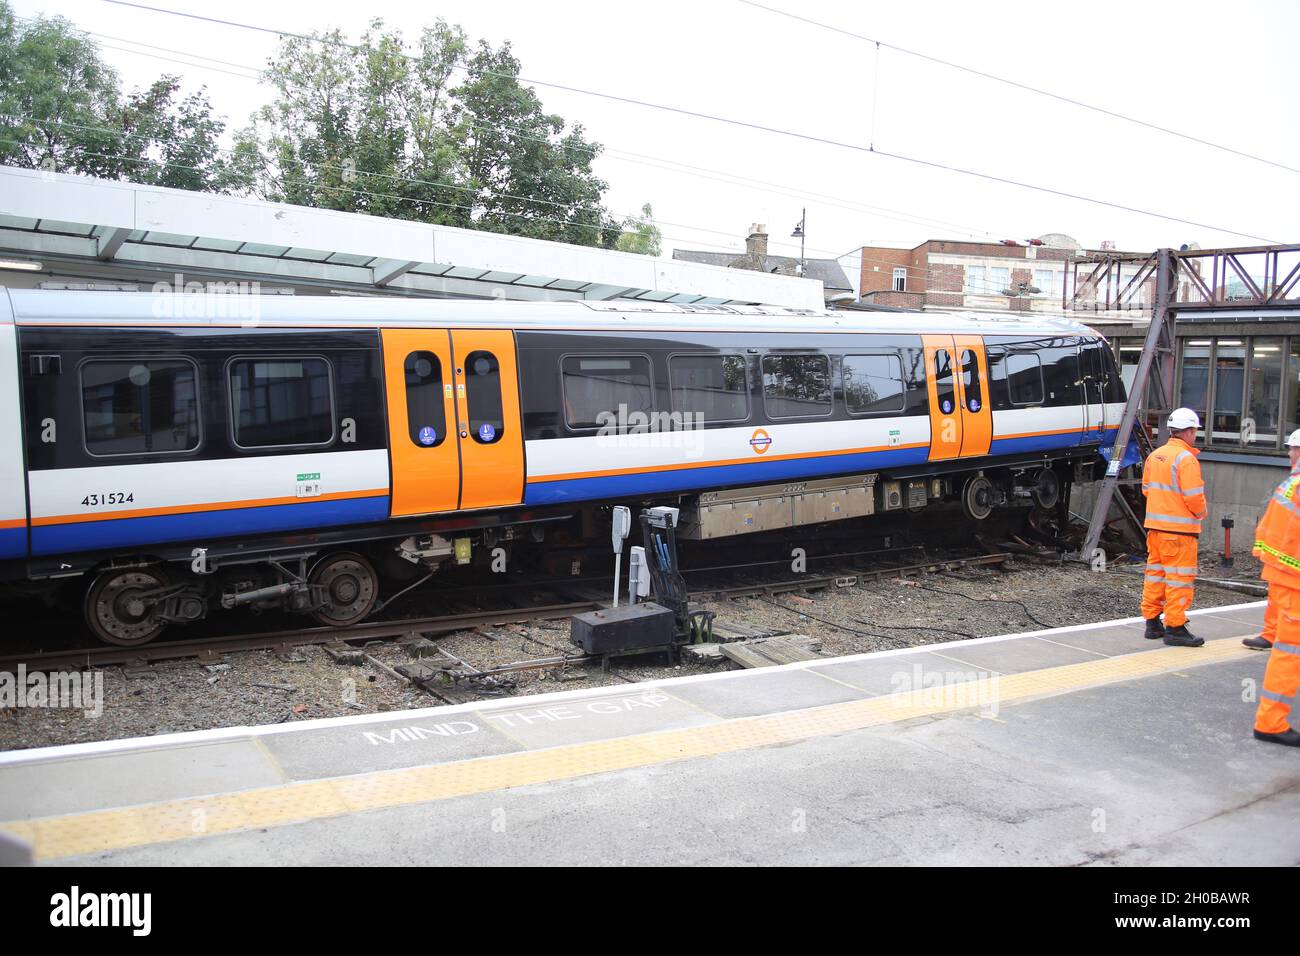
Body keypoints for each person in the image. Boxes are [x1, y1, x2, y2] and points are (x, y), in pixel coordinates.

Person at [1140, 408, 1208, 647]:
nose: (1195, 436)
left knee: (1155, 574)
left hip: (1155, 530)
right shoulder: (1186, 459)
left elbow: (1146, 489)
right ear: (1188, 431)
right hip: (1179, 533)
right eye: (1195, 431)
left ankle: (1152, 622)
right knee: (1179, 579)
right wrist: (1201, 513)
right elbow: (1193, 497)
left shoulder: (1155, 455)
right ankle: (1175, 628)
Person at [1252, 428, 1300, 747]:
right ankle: (1270, 721)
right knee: (1289, 650)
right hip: (1293, 579)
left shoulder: (1291, 483)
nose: (1288, 454)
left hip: (1283, 574)